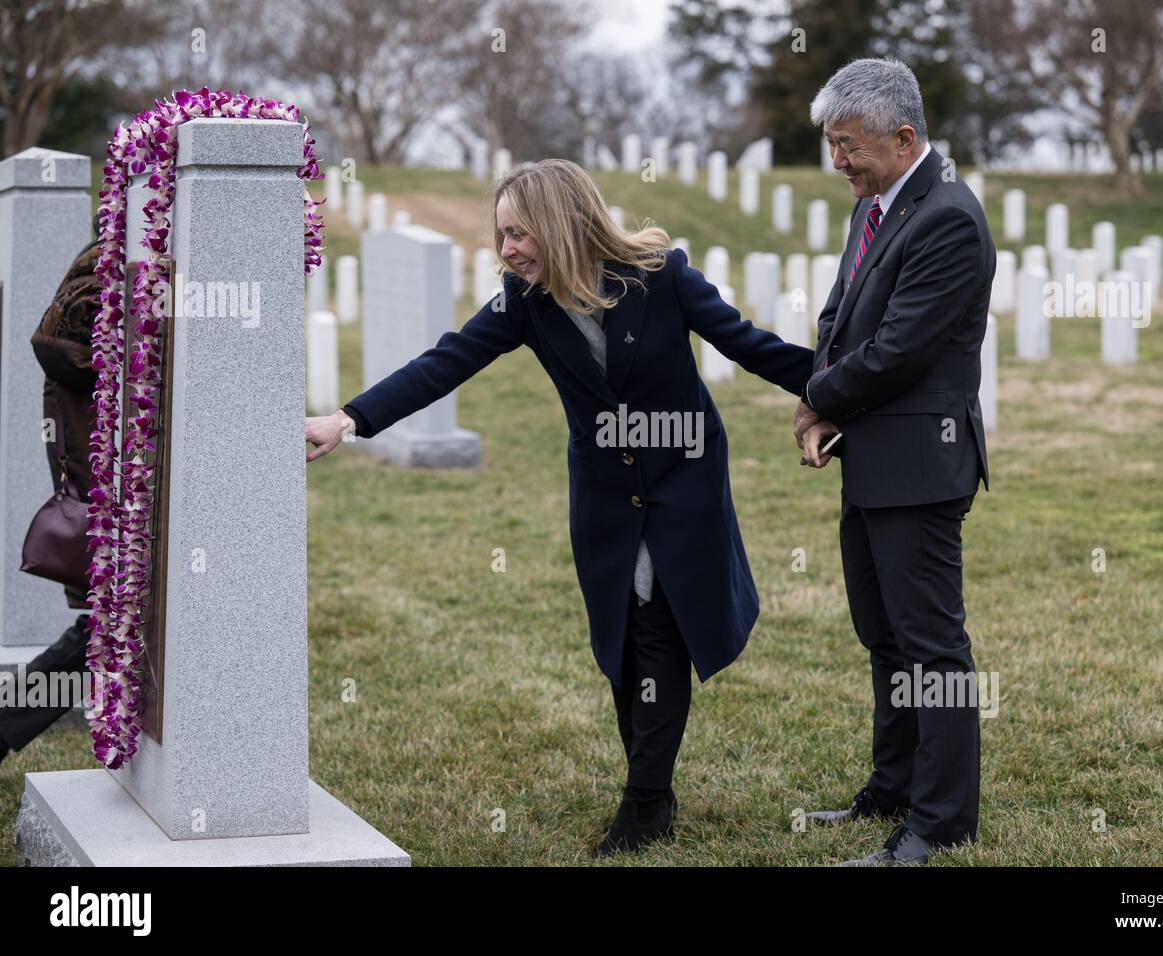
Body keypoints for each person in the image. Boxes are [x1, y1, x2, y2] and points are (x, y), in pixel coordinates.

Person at [305, 159, 813, 857]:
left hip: (682, 485)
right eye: (502, 234)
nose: (508, 249)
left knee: (663, 628)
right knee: (622, 642)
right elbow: (444, 362)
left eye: (520, 233)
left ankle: (642, 806)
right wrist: (350, 419)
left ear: (564, 222)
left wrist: (846, 387)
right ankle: (654, 788)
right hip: (605, 494)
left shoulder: (663, 277)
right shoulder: (524, 302)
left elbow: (753, 347)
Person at [793, 58, 993, 866]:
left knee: (930, 644)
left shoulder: (946, 217)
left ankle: (941, 822)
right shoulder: (875, 204)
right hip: (870, 458)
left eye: (849, 144)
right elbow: (841, 318)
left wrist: (818, 399)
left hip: (918, 463)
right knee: (883, 635)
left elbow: (899, 351)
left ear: (903, 137)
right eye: (832, 144)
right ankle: (894, 787)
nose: (838, 160)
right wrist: (822, 392)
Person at [0, 240, 100, 765]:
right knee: (103, 630)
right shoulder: (107, 274)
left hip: (110, 464)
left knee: (102, 630)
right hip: (116, 474)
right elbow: (68, 351)